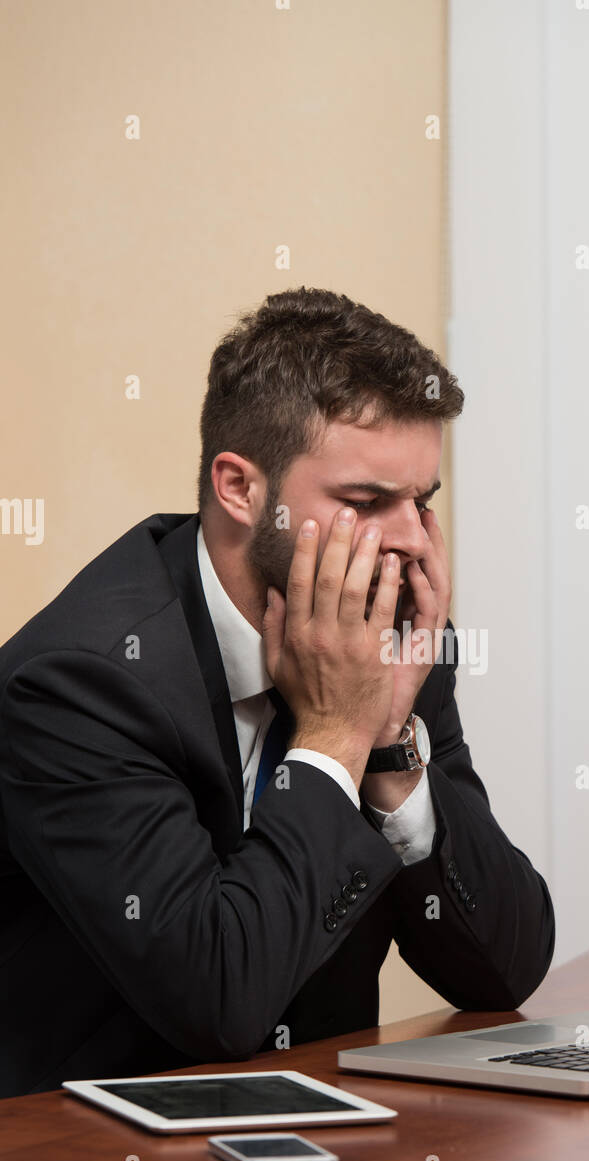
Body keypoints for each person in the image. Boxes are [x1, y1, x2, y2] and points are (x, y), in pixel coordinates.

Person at [0, 287, 555, 1097]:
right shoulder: (79, 683)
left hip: (324, 1143)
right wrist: (336, 734)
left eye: (420, 502)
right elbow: (217, 998)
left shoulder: (386, 632)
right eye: (365, 503)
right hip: (90, 1159)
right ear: (239, 489)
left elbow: (503, 972)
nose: (407, 539)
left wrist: (393, 750)